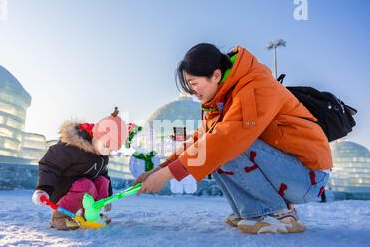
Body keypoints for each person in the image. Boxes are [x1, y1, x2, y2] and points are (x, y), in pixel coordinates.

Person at [135, 43, 332, 235]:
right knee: (210, 150)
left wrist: (167, 175)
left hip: (308, 176)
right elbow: (198, 142)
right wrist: (159, 170)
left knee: (224, 146)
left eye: (194, 84)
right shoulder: (218, 102)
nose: (192, 92)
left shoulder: (255, 85)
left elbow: (228, 137)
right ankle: (252, 209)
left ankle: (276, 213)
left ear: (216, 75)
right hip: (287, 171)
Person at [32, 107, 128, 231]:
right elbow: (50, 165)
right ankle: (59, 217)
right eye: (106, 145)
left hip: (85, 190)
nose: (107, 151)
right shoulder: (72, 147)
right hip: (62, 190)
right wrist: (44, 189)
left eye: (111, 149)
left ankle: (90, 215)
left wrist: (107, 198)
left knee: (102, 181)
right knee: (86, 185)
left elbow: (104, 175)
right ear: (96, 135)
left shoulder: (102, 157)